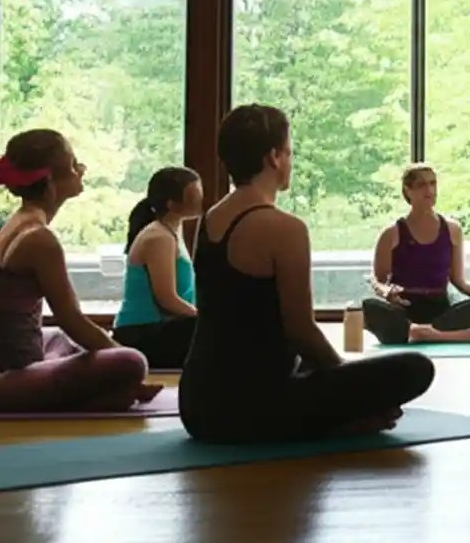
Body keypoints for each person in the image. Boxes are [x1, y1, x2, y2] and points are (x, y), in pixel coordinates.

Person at [179, 105, 434, 443]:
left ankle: (336, 417)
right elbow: (300, 330)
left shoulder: (210, 219)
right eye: (289, 153)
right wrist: (348, 382)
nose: (290, 161)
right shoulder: (285, 228)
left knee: (313, 371)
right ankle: (341, 421)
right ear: (274, 158)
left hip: (197, 405)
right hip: (252, 410)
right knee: (416, 368)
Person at [0, 129, 158, 412]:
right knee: (132, 362)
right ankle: (106, 394)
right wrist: (119, 351)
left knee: (58, 339)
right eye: (74, 164)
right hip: (13, 375)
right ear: (50, 180)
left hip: (16, 361)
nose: (81, 169)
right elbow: (73, 320)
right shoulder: (39, 239)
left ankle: (104, 394)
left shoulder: (17, 223)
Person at [363, 163, 470, 345]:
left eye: (433, 183)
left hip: (441, 310)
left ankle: (420, 332)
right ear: (407, 190)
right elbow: (378, 281)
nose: (429, 190)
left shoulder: (452, 230)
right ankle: (441, 334)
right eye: (421, 185)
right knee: (369, 308)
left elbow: (459, 282)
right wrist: (388, 293)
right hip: (404, 308)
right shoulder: (391, 233)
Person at [112, 167, 203, 369]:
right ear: (172, 204)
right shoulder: (159, 237)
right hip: (142, 333)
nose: (201, 199)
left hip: (160, 329)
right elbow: (166, 299)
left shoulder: (172, 231)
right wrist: (203, 318)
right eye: (194, 195)